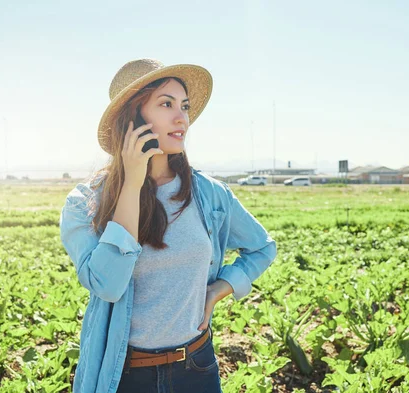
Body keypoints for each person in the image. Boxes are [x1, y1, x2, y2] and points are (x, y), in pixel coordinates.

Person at [59, 58, 277, 393]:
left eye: (184, 106)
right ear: (133, 118)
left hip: (197, 367)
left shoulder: (209, 194)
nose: (182, 118)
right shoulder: (84, 203)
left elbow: (263, 247)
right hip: (126, 376)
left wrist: (218, 290)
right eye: (166, 104)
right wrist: (131, 185)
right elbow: (108, 286)